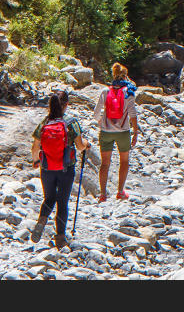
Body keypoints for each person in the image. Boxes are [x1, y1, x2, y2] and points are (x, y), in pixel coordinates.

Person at [30, 90, 88, 249]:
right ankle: (60, 238)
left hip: (47, 168)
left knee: (49, 198)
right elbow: (80, 145)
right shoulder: (71, 122)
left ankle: (42, 219)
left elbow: (35, 147)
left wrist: (36, 161)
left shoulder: (44, 123)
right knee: (62, 202)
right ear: (66, 104)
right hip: (66, 169)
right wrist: (86, 145)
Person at [94, 62, 139, 202]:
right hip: (123, 132)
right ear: (125, 76)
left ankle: (102, 195)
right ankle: (120, 192)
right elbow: (132, 114)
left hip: (106, 132)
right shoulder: (129, 92)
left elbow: (96, 113)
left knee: (105, 163)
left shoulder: (105, 91)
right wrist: (135, 132)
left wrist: (102, 122)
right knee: (124, 161)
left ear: (113, 75)